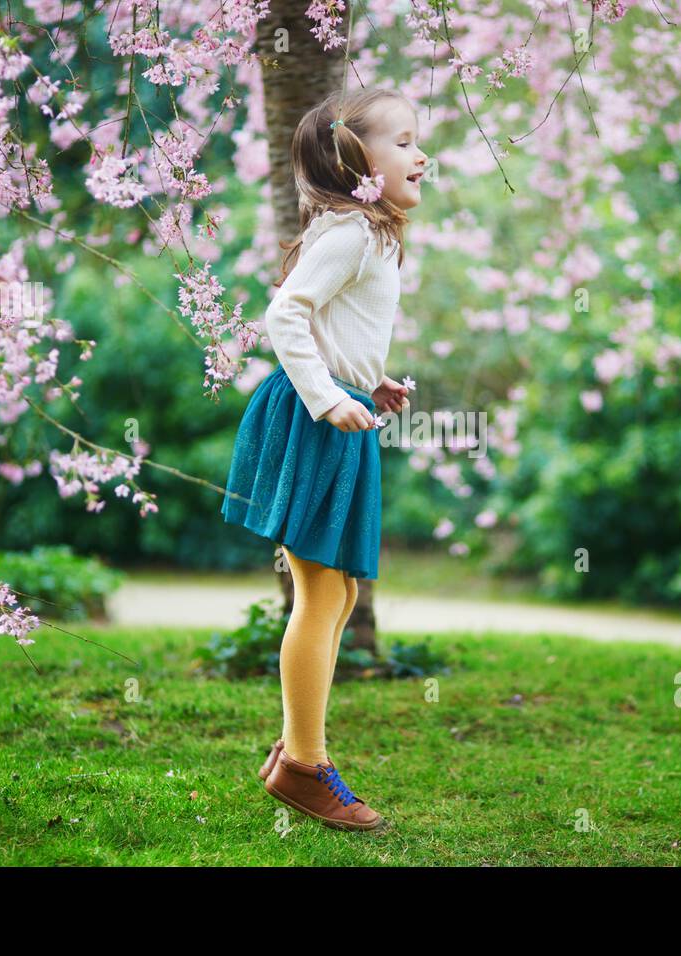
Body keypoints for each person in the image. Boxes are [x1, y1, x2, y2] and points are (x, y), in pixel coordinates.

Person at [220, 87, 428, 832]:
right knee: (320, 595)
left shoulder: (362, 231)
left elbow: (332, 322)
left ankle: (294, 752)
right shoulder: (350, 230)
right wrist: (323, 396)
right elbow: (286, 313)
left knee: (336, 595)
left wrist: (365, 381)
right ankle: (306, 766)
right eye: (403, 141)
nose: (420, 154)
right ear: (356, 156)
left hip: (339, 412)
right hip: (317, 423)